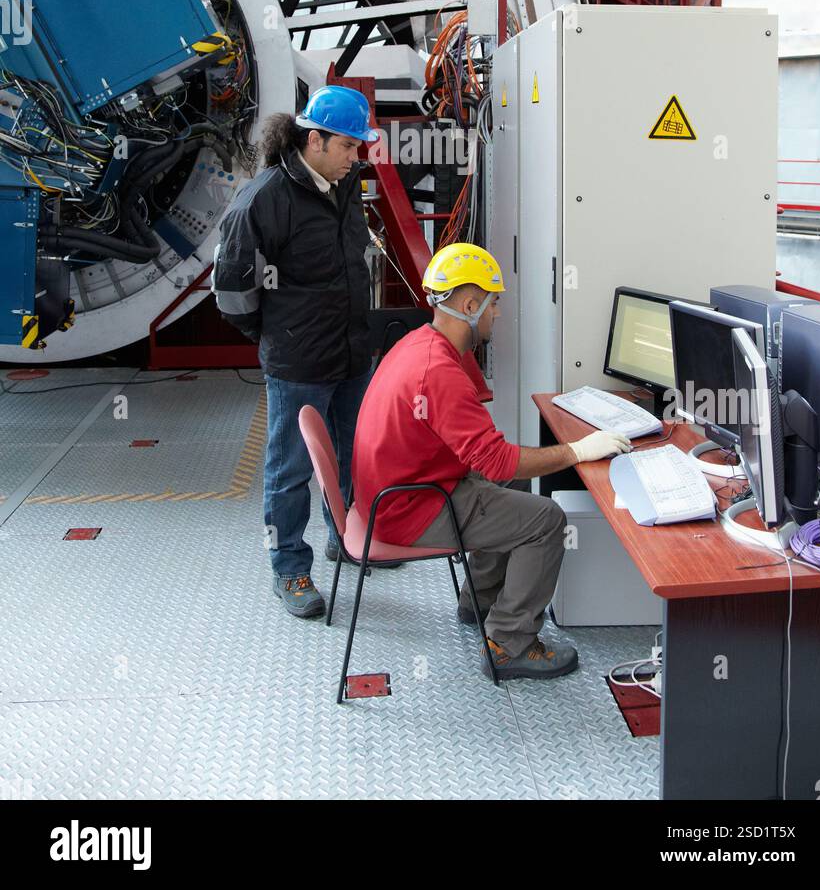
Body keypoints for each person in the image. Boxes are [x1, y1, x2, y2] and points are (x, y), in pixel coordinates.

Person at [352, 241, 632, 680]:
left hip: (396, 492)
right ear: (469, 303)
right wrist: (579, 450)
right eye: (493, 303)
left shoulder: (422, 343)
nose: (497, 313)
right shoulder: (439, 370)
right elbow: (496, 461)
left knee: (516, 489)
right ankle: (509, 642)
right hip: (410, 506)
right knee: (545, 520)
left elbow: (486, 455)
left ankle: (478, 601)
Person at [212, 85, 377, 619]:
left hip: (351, 351)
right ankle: (289, 568)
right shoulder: (263, 200)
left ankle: (343, 537)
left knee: (352, 454)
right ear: (315, 139)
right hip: (298, 361)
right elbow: (234, 293)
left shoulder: (342, 184)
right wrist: (278, 336)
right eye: (349, 147)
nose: (357, 159)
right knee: (290, 469)